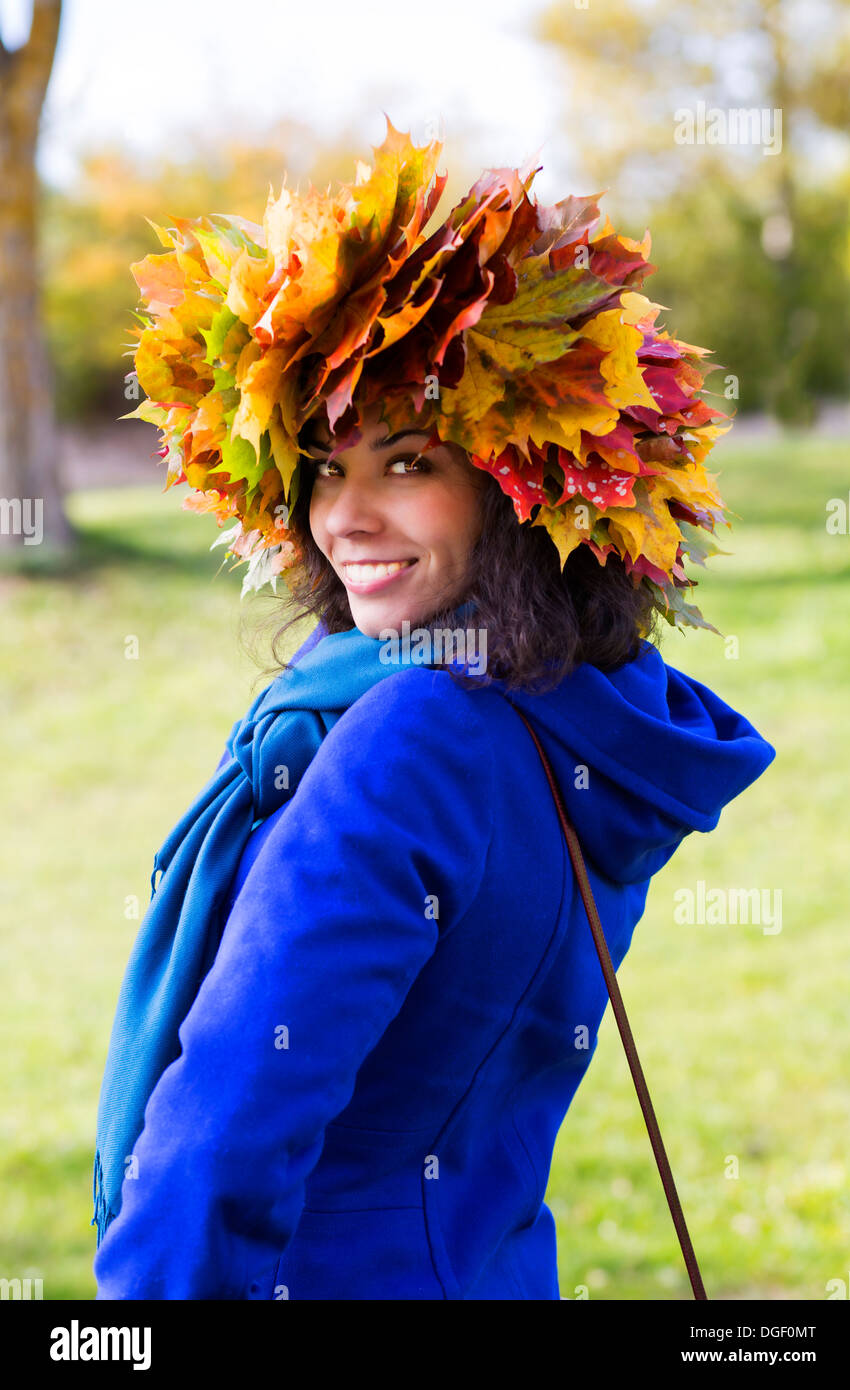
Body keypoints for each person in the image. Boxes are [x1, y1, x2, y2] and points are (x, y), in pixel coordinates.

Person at [90, 121, 776, 1300]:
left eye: (407, 462)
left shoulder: (412, 739)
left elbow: (217, 1140)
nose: (346, 516)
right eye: (324, 466)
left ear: (517, 488)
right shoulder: (583, 712)